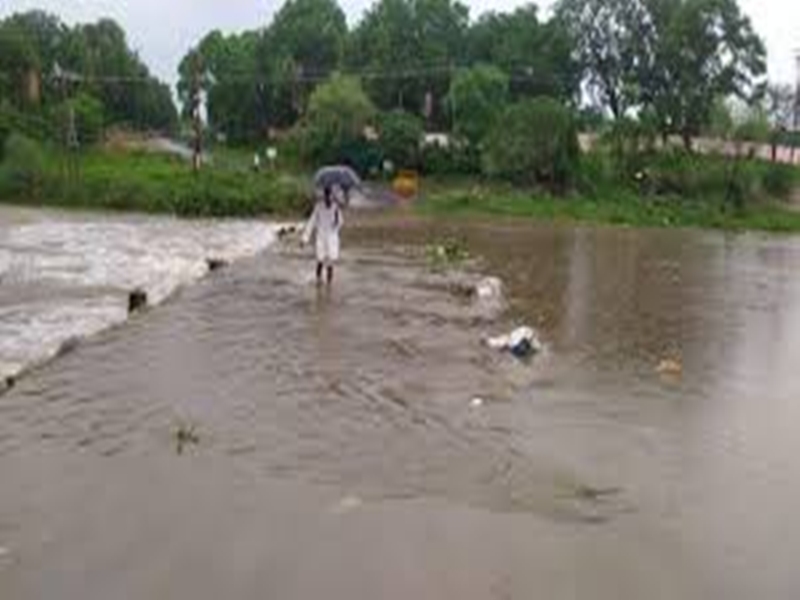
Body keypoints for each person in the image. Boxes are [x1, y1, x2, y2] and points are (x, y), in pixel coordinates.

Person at [302, 186, 343, 285]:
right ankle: (318, 280)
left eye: (330, 196)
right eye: (326, 195)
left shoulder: (336, 207)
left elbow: (340, 223)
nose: (328, 198)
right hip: (321, 236)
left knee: (330, 263)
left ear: (332, 196)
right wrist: (304, 239)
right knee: (319, 260)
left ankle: (329, 284)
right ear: (324, 196)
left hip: (332, 237)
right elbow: (311, 222)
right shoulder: (318, 206)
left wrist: (337, 220)